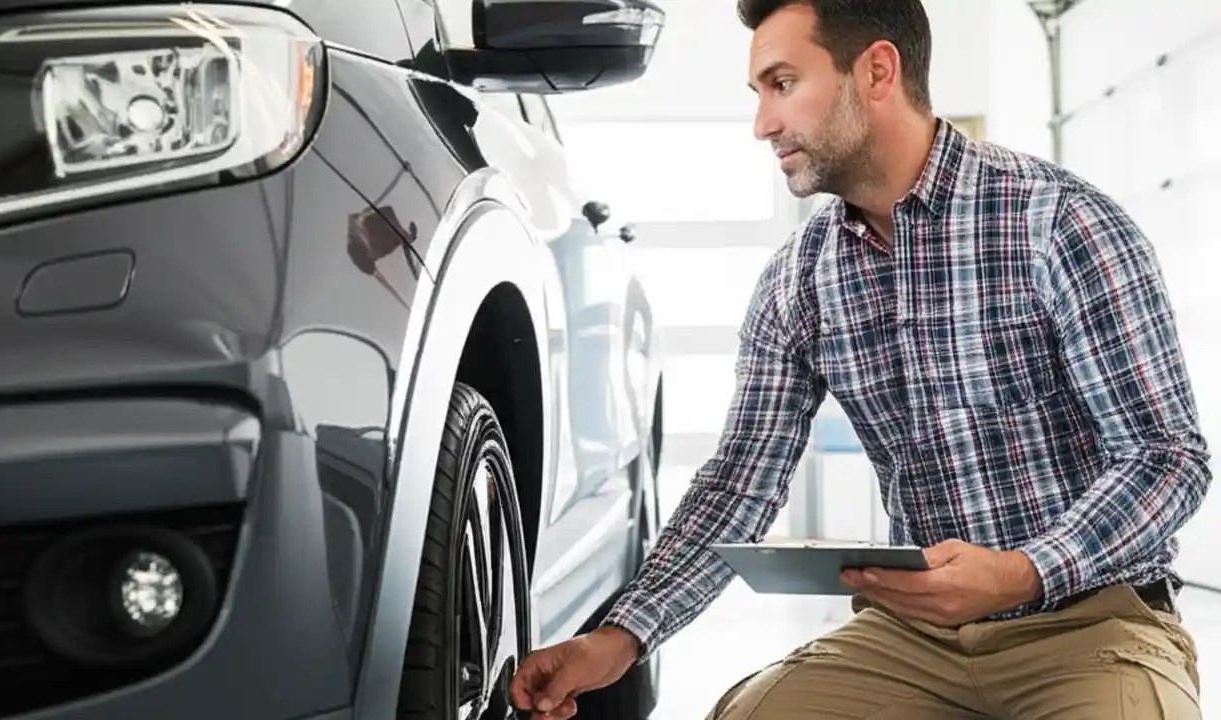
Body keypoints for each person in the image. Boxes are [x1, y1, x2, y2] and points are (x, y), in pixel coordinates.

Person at [509, 0, 1212, 717]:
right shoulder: (799, 280)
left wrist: (1022, 572)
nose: (763, 124)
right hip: (916, 639)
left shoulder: (1059, 223)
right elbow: (738, 482)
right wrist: (619, 638)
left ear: (877, 70)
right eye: (759, 95)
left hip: (1092, 623)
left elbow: (1169, 457)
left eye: (782, 84)